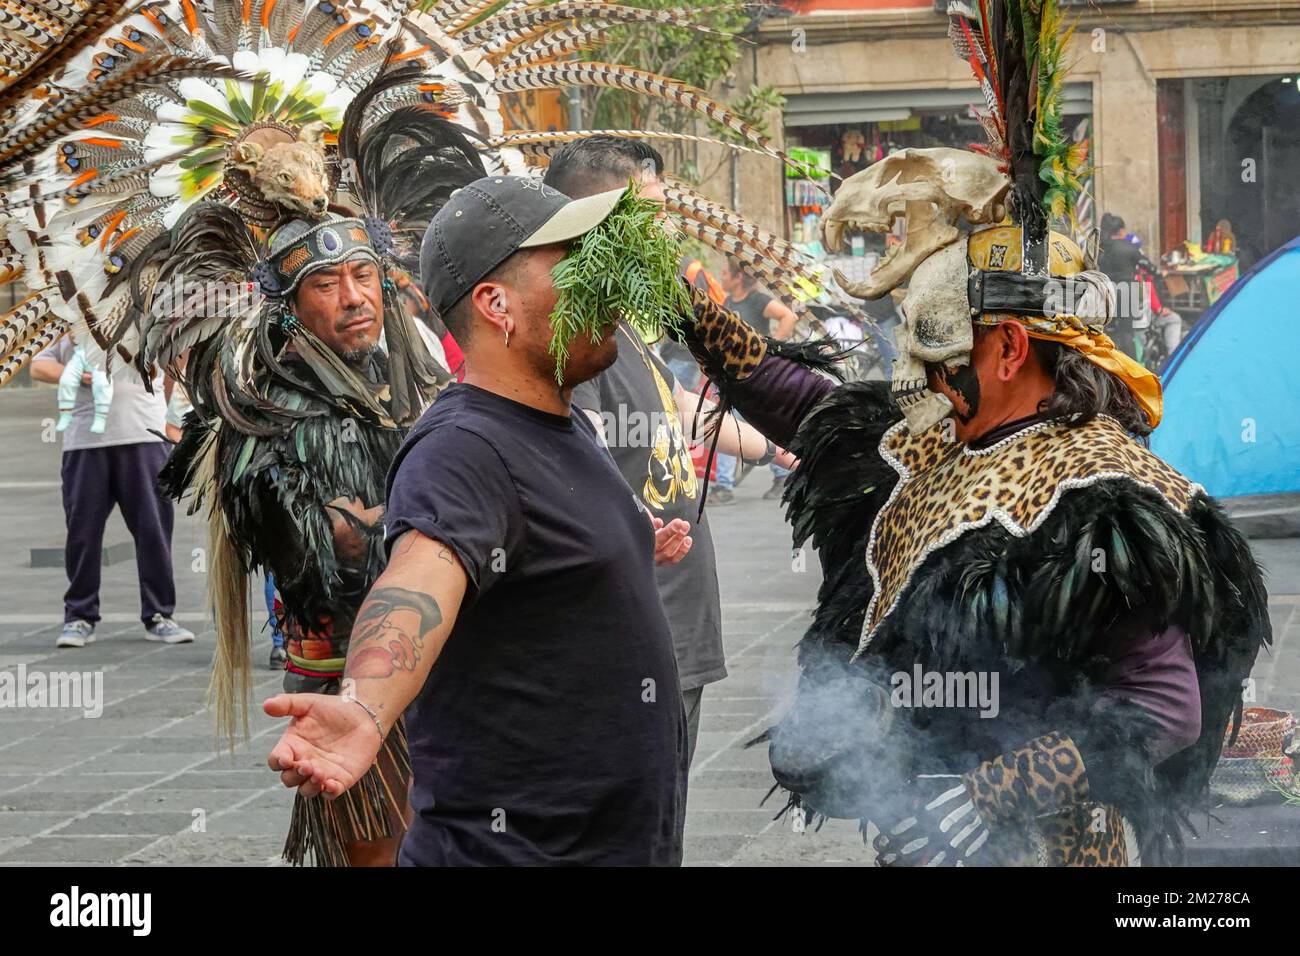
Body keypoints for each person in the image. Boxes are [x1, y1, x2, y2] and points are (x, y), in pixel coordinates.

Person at [667, 0, 1270, 867]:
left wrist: (987, 798)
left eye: (936, 353)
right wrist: (691, 310)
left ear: (1011, 346)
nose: (914, 378)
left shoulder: (1107, 493)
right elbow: (812, 407)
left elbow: (1163, 707)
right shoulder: (942, 437)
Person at [266, 175, 695, 866]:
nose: (607, 282)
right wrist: (367, 707)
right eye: (576, 264)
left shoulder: (563, 418)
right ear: (497, 305)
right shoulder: (462, 448)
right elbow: (418, 580)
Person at [160, 210, 449, 867]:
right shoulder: (260, 421)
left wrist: (382, 525)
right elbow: (328, 556)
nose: (354, 296)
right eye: (326, 283)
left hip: (434, 674)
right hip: (346, 680)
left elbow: (381, 533)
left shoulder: (402, 384)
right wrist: (416, 531)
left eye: (364, 275)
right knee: (375, 852)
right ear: (289, 308)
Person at [542, 136, 794, 784]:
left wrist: (776, 448)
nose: (668, 230)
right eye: (652, 212)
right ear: (595, 222)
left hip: (676, 627)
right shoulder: (575, 333)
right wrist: (631, 526)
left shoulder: (624, 322)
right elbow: (583, 455)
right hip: (627, 638)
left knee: (660, 823)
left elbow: (679, 404)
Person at [32, 336, 193, 649]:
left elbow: (175, 364)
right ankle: (79, 616)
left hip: (145, 436)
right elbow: (39, 365)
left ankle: (160, 614)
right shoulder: (68, 317)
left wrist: (159, 412)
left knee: (154, 530)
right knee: (82, 533)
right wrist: (74, 375)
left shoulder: (147, 314)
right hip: (85, 443)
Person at [719, 257, 800, 500]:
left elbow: (789, 317)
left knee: (758, 425)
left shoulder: (757, 300)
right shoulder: (727, 301)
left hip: (755, 376)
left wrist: (770, 347)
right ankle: (724, 485)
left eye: (725, 273)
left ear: (738, 277)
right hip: (731, 376)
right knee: (726, 424)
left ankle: (781, 475)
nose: (721, 276)